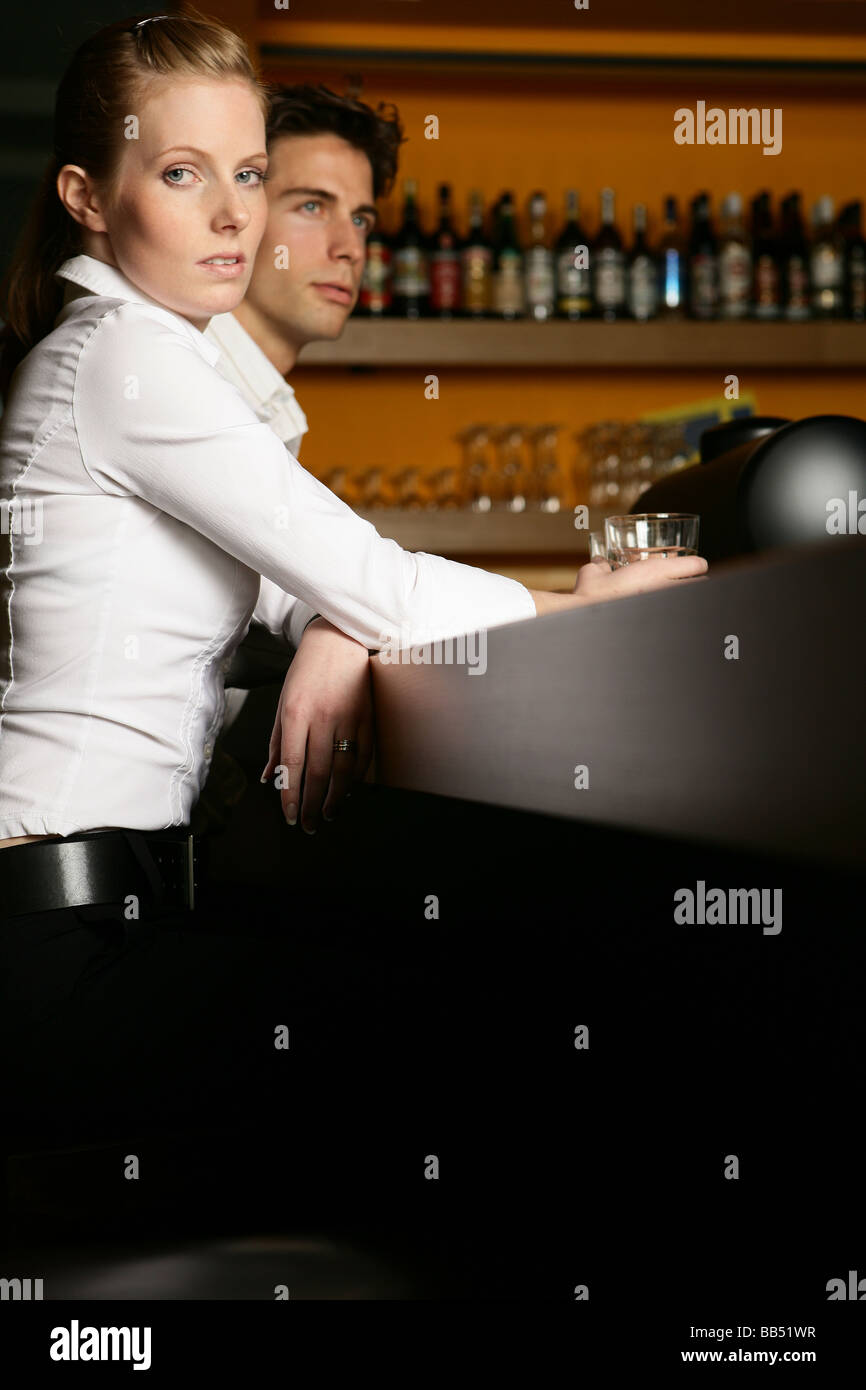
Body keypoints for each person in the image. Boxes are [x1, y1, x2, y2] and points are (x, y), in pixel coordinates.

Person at [0, 10, 707, 1212]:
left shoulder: (135, 355)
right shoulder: (126, 354)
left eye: (248, 176)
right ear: (86, 195)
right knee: (533, 1016)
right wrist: (581, 605)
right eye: (182, 175)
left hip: (97, 928)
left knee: (473, 1002)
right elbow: (366, 575)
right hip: (55, 951)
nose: (236, 215)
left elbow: (315, 582)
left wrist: (336, 622)